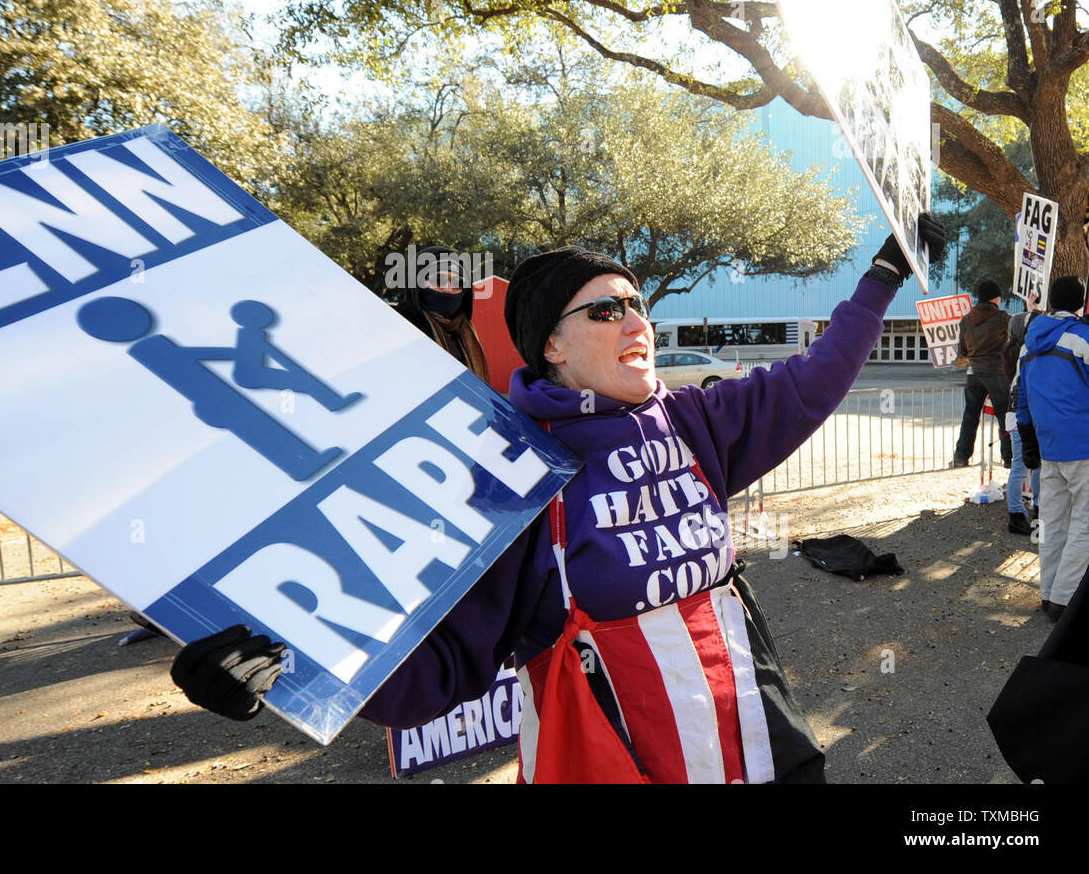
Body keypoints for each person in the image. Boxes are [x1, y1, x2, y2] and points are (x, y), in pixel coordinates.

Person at [171, 215, 946, 783]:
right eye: (606, 309)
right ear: (552, 344)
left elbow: (811, 380)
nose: (636, 320)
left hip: (763, 736)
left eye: (637, 302)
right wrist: (279, 666)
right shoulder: (508, 470)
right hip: (616, 762)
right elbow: (436, 668)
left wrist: (882, 273)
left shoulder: (691, 419)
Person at [1014, 275, 1089, 622]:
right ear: (1079, 302)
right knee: (1084, 524)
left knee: (1052, 522)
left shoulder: (1029, 344)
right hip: (1082, 445)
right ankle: (1064, 599)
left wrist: (1029, 443)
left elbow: (1021, 399)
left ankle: (1048, 594)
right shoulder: (1082, 338)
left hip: (1048, 447)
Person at [392, 244, 490, 384]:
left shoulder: (463, 330)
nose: (448, 288)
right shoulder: (398, 326)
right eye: (438, 280)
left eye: (457, 282)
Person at [951, 279, 1013, 469]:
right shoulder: (1003, 318)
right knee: (1005, 416)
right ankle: (1009, 458)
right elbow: (1017, 337)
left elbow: (962, 351)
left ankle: (961, 456)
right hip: (996, 372)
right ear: (995, 298)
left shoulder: (966, 319)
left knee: (970, 415)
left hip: (973, 372)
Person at [1002, 292, 1042, 535]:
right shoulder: (1030, 347)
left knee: (1026, 466)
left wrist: (1030, 306)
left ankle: (1023, 511)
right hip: (1022, 414)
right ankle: (1020, 512)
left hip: (1017, 413)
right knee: (1027, 466)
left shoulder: (1013, 350)